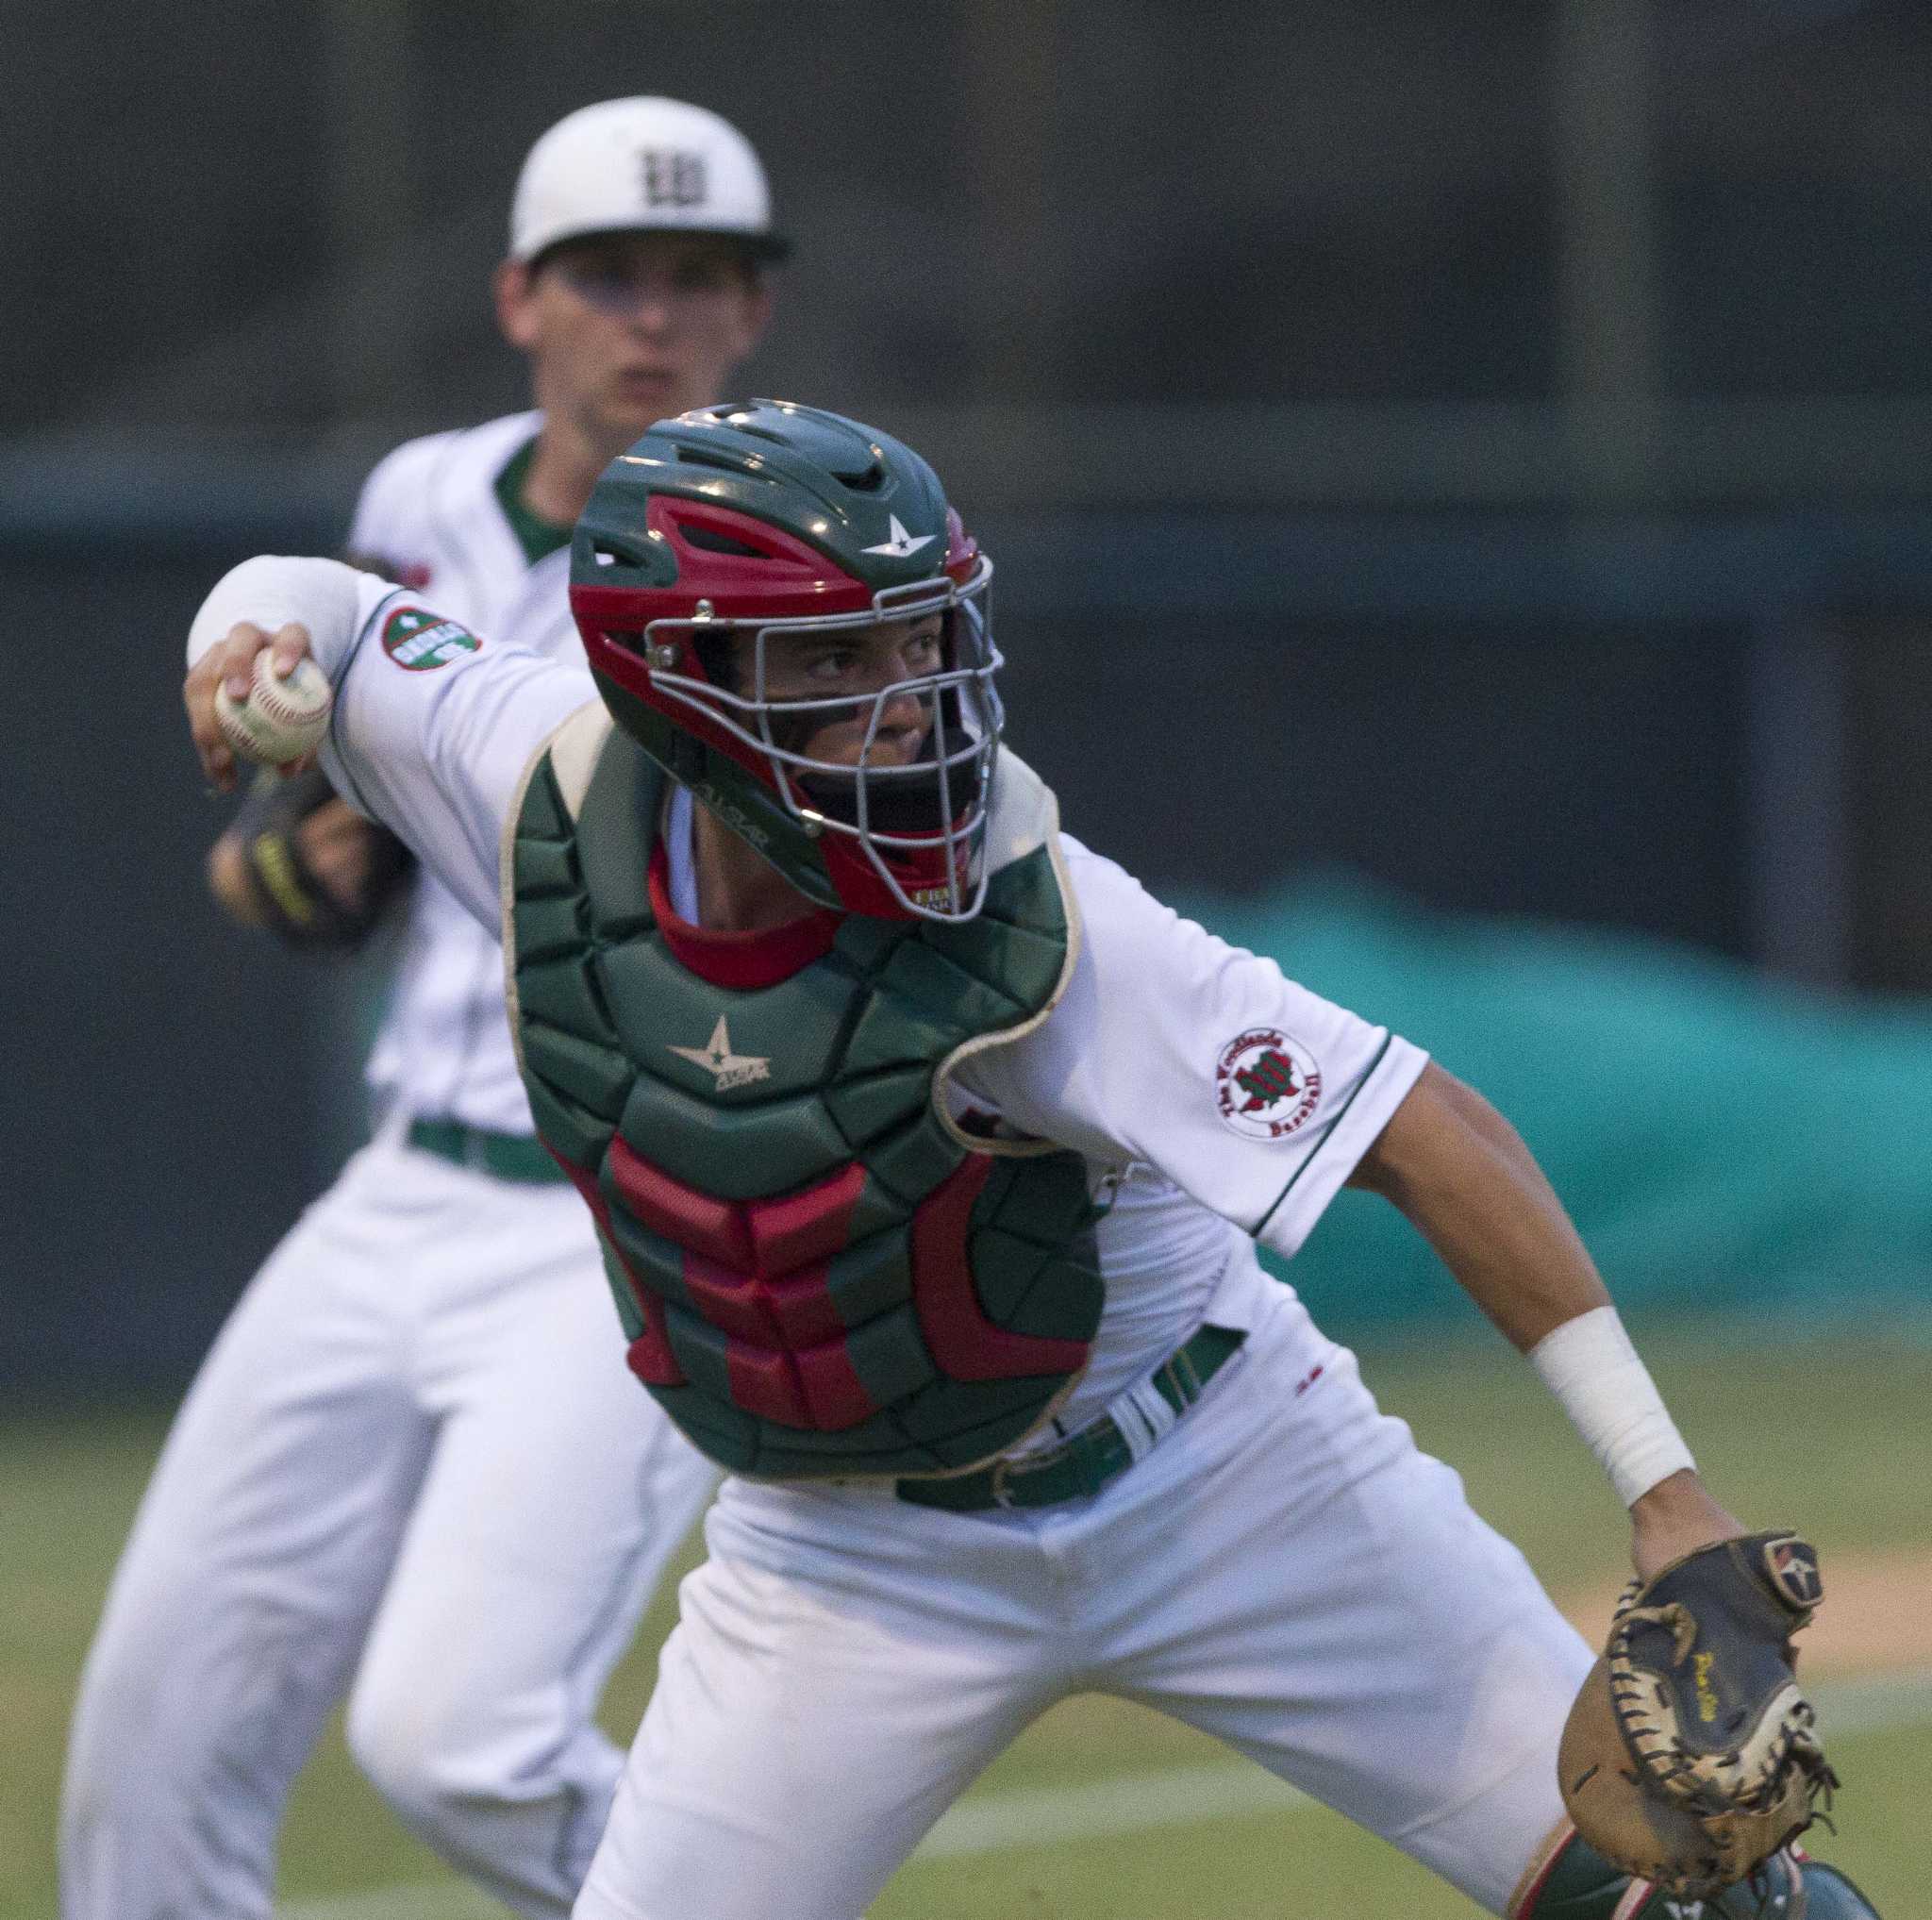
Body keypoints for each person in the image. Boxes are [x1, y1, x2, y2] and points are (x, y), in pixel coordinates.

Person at [179, 402, 1878, 1919]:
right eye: (832, 668)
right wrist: (241, 637)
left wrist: (1659, 1482)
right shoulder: (522, 772)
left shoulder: (1045, 922)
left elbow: (1428, 1129)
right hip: (847, 1554)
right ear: (670, 681)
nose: (906, 712)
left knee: (1708, 1905)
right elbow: (319, 600)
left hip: (1223, 1476)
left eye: (919, 648)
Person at [62, 99, 782, 1920]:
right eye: (612, 276)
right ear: (518, 299)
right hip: (395, 1197)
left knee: (462, 1739)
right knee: (146, 1765)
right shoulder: (414, 505)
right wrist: (291, 866)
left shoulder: (797, 564)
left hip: (615, 1224)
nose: (656, 321)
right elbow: (303, 853)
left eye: (703, 280)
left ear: (754, 316)